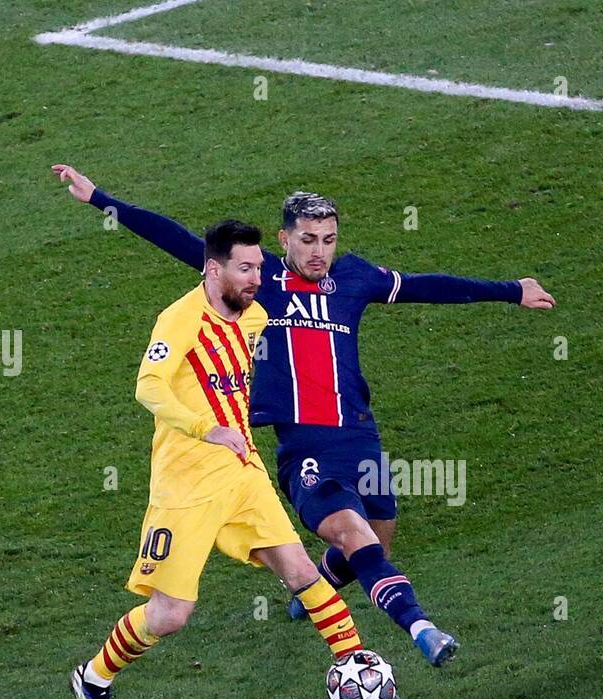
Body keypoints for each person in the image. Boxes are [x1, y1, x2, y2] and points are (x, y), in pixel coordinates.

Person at [53, 164, 555, 668]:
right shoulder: (260, 279)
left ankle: (317, 586)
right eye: (309, 239)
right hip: (306, 446)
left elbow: (427, 285)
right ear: (284, 239)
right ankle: (421, 629)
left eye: (329, 239)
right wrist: (99, 197)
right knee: (355, 537)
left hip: (359, 433)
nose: (320, 251)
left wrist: (512, 290)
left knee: (377, 535)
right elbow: (177, 239)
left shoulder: (355, 278)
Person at [70, 220, 377, 699]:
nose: (257, 278)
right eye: (245, 268)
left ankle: (361, 669)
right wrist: (204, 428)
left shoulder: (254, 314)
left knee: (301, 570)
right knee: (170, 615)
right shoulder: (180, 320)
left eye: (259, 267)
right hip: (185, 485)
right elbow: (148, 388)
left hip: (242, 470)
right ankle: (94, 677)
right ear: (214, 269)